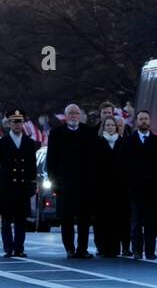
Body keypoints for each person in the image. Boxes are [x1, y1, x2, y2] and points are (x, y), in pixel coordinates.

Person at [46, 104, 97, 258]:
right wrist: (54, 181)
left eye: (76, 113)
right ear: (65, 116)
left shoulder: (89, 132)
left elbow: (94, 159)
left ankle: (82, 249)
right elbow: (51, 160)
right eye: (71, 113)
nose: (74, 116)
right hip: (65, 186)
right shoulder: (56, 134)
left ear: (80, 115)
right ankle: (69, 248)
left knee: (84, 220)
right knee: (66, 219)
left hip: (85, 185)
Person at [122, 109, 157, 259]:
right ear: (136, 122)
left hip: (152, 189)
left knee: (150, 222)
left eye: (146, 119)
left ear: (150, 121)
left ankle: (150, 251)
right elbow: (125, 165)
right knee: (135, 222)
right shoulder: (128, 141)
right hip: (135, 188)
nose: (144, 121)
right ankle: (136, 250)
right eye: (141, 119)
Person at [0, 108, 38, 258]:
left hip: (22, 186)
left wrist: (32, 184)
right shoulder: (2, 143)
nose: (17, 125)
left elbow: (32, 166)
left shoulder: (29, 143)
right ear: (8, 124)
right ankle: (8, 248)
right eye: (14, 122)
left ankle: (19, 248)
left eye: (19, 122)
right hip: (6, 187)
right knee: (7, 220)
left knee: (21, 220)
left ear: (23, 123)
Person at [92, 116, 129, 258]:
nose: (110, 127)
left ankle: (115, 247)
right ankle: (102, 247)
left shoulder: (123, 143)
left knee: (117, 219)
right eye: (107, 125)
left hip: (119, 188)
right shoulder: (98, 143)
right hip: (102, 188)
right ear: (103, 127)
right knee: (102, 219)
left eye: (112, 125)